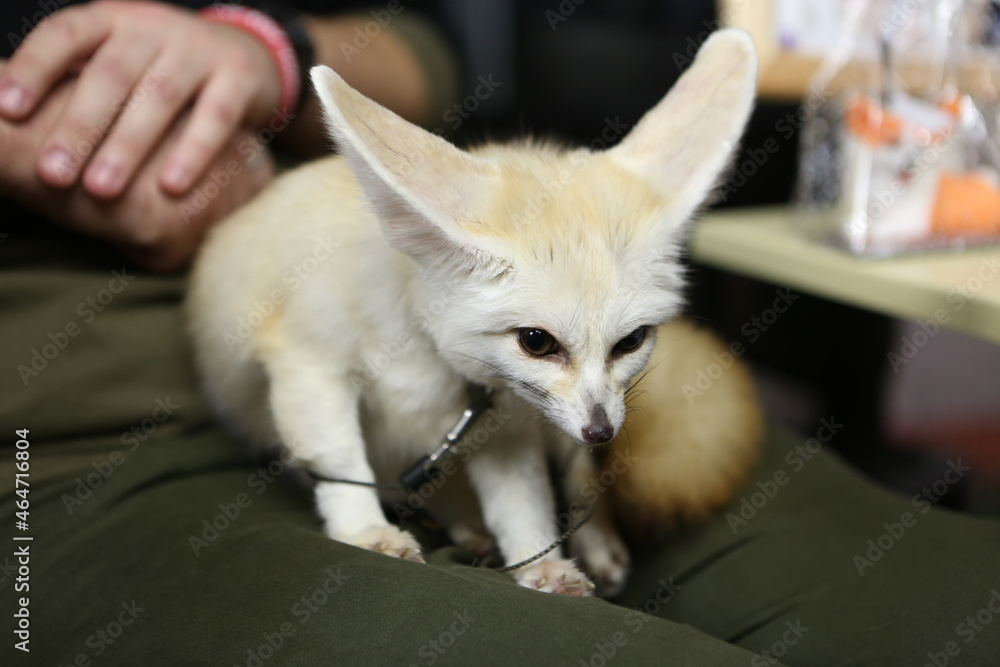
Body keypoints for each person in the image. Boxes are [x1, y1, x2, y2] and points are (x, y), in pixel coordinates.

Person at [2, 2, 999, 665]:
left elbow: (433, 39)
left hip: (484, 329)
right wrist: (56, 147)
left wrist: (272, 48)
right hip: (81, 440)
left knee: (947, 605)